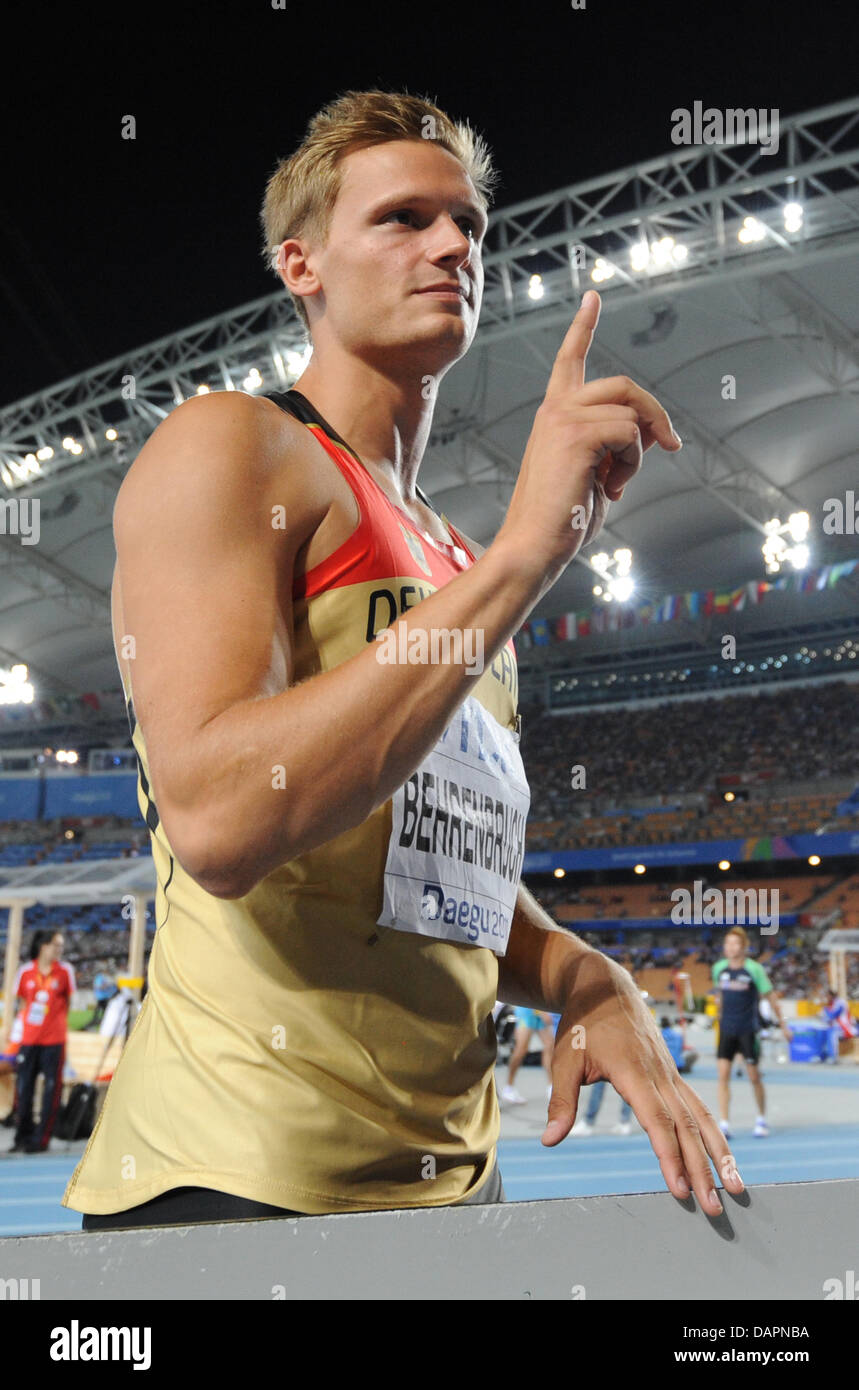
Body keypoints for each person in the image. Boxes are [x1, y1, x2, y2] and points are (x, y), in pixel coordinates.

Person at [63, 88, 741, 1230]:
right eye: (402, 219)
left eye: (470, 225)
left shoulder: (463, 560)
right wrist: (527, 556)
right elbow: (222, 818)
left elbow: (436, 866)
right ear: (301, 265)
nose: (451, 246)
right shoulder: (233, 447)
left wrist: (585, 977)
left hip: (449, 1196)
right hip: (241, 1189)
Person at [712, 927, 792, 1138]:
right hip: (726, 1031)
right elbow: (719, 995)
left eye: (735, 944)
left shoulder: (754, 969)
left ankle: (761, 1119)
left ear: (744, 947)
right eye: (727, 943)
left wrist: (783, 1025)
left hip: (748, 1030)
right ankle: (724, 1123)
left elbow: (771, 998)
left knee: (754, 1077)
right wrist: (718, 1017)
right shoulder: (719, 969)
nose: (730, 947)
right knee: (723, 1076)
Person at [9, 930, 76, 1153]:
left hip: (54, 1041)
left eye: (61, 945)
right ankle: (21, 1137)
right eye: (56, 945)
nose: (60, 949)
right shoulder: (26, 972)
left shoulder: (65, 971)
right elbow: (20, 1004)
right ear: (43, 946)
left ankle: (41, 1139)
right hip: (29, 1040)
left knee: (50, 1090)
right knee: (23, 1088)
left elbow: (68, 1001)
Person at [501, 1008, 558, 1104]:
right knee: (521, 1049)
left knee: (550, 1046)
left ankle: (551, 1086)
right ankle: (508, 1087)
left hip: (538, 1009)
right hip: (526, 1011)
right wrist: (542, 1011)